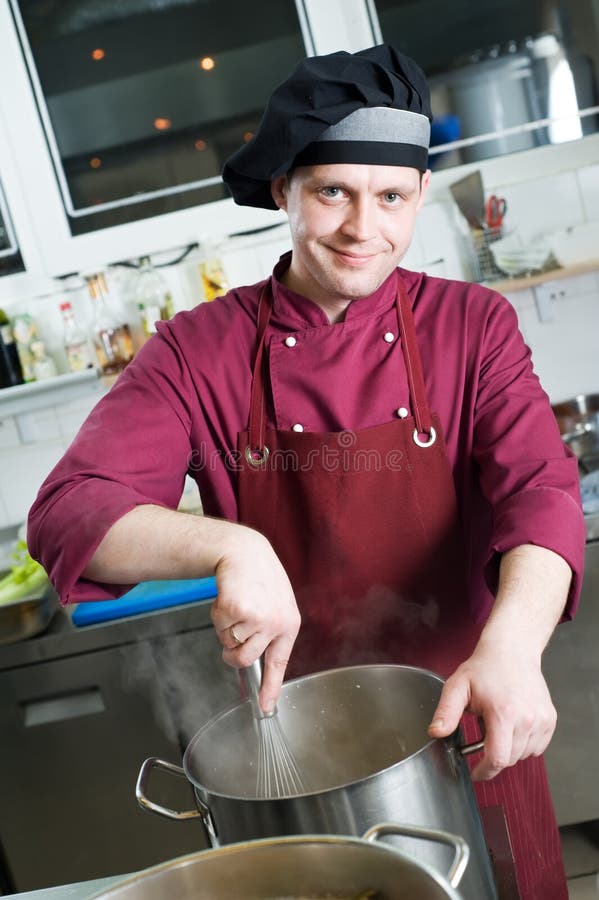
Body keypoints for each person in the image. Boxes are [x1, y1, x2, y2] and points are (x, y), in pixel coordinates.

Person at [28, 45, 585, 899]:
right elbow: (70, 511)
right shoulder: (197, 351)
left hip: (477, 716)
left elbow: (539, 493)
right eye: (332, 192)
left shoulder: (471, 326)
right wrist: (231, 546)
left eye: (390, 196)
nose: (364, 228)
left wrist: (512, 650)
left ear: (419, 195)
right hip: (305, 764)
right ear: (283, 190)